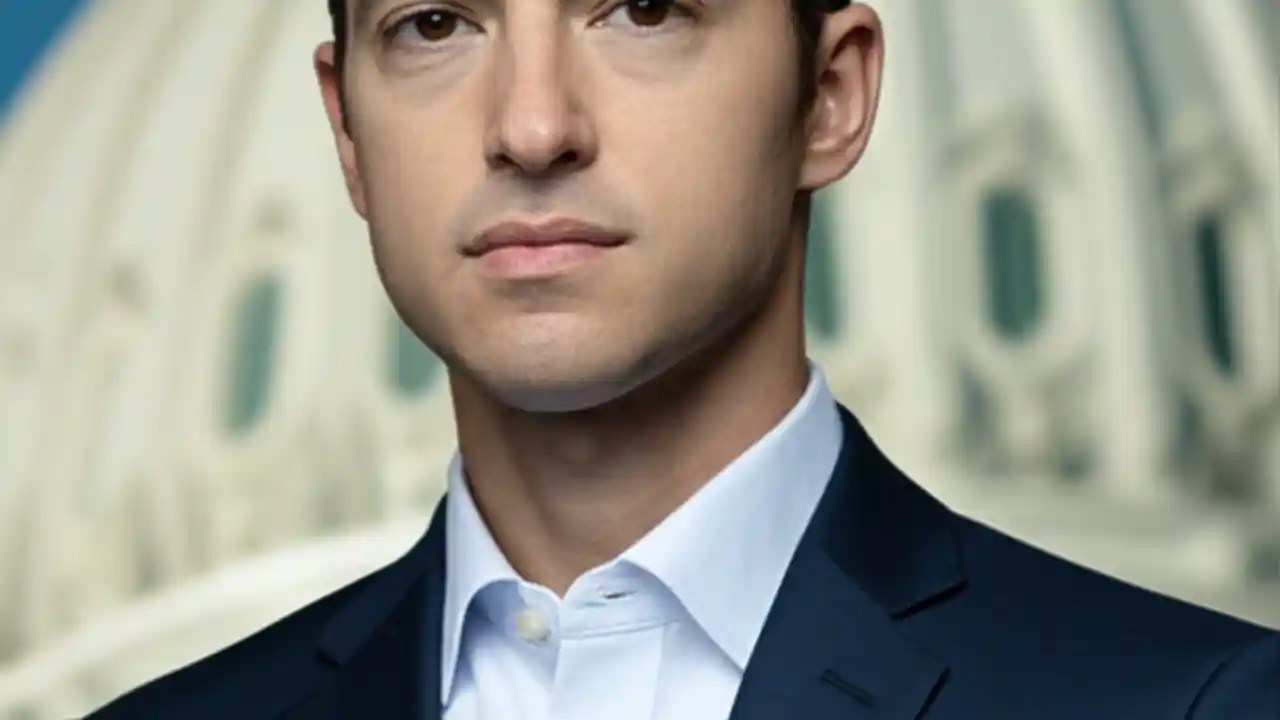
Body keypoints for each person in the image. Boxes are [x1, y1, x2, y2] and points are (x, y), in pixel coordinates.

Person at [89, 0, 1277, 717]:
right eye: (435, 24)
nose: (532, 127)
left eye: (646, 8)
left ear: (829, 93)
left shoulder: (1184, 706)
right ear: (345, 130)